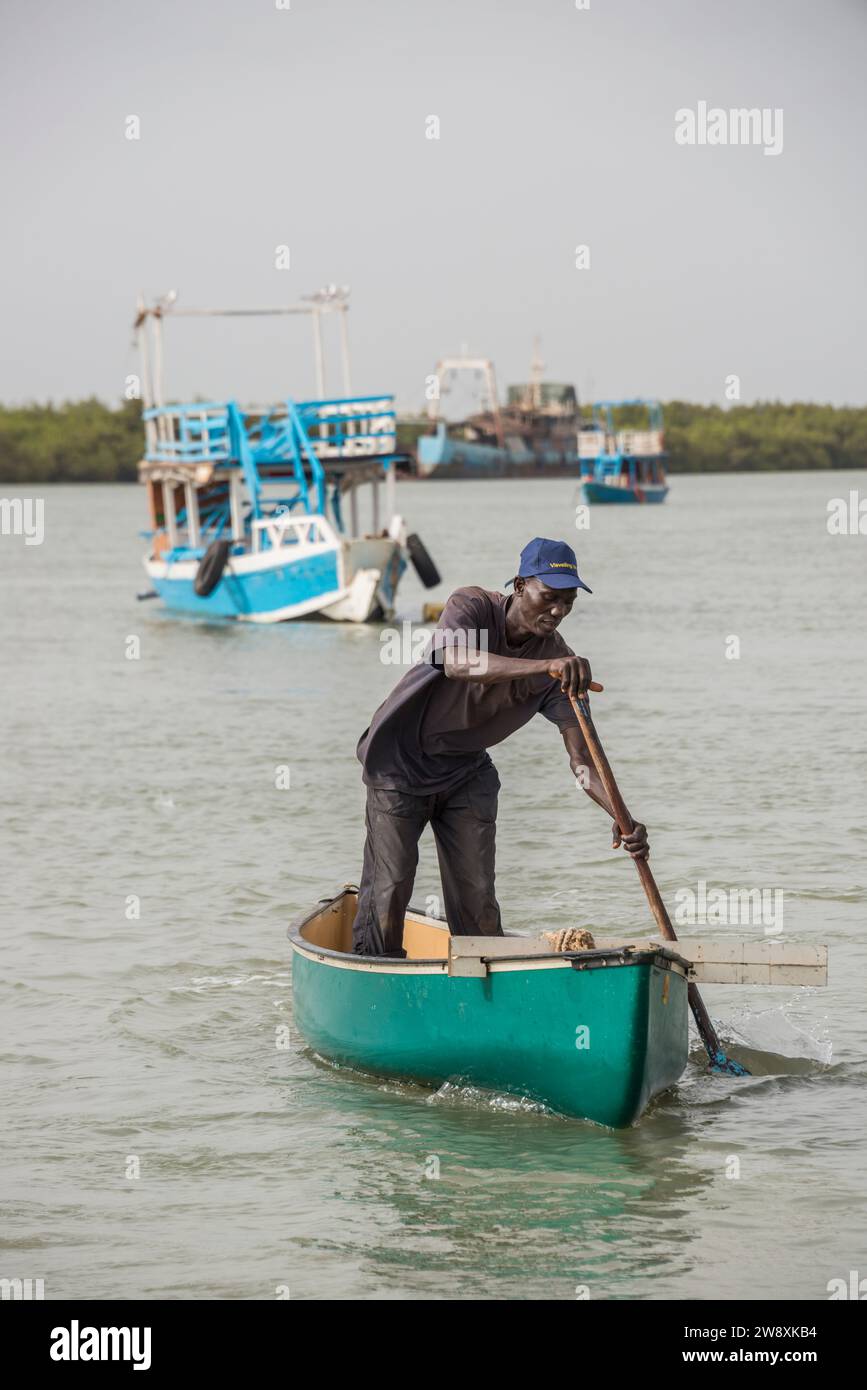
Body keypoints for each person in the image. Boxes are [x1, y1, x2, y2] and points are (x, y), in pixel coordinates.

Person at [351, 537, 649, 956]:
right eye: (550, 597)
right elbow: (456, 662)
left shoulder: (560, 665)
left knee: (477, 898)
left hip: (466, 773)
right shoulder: (472, 606)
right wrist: (545, 667)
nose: (558, 611)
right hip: (399, 764)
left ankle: (481, 986)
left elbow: (582, 762)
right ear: (522, 585)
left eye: (568, 602)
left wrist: (622, 816)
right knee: (391, 885)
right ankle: (373, 978)